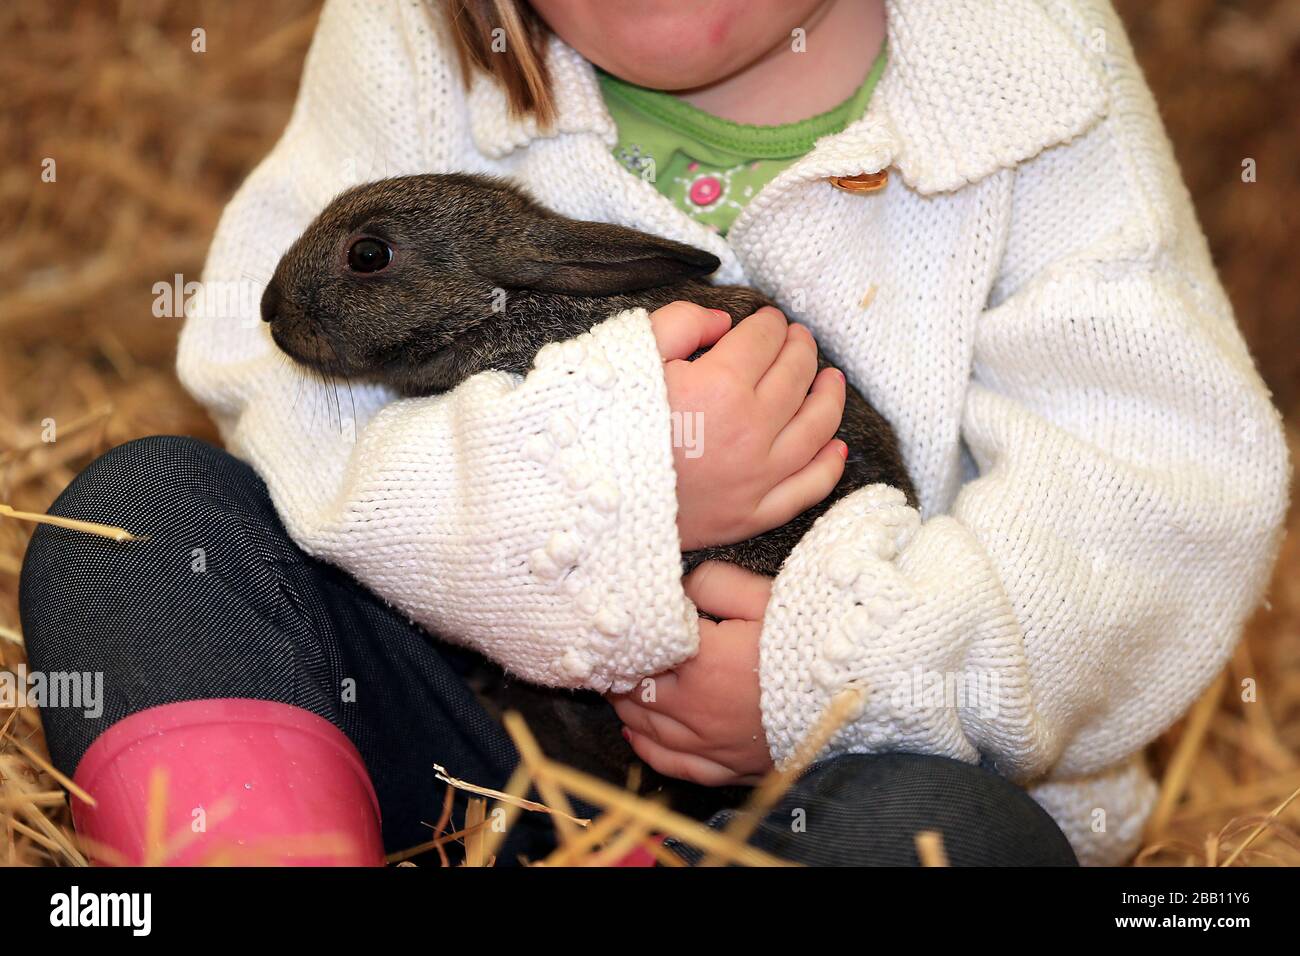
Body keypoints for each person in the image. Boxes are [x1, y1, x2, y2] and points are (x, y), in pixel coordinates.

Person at [20, 0, 1287, 866]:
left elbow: (1153, 488)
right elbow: (277, 380)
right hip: (479, 759)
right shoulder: (420, 33)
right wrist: (603, 479)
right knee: (138, 526)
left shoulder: (1025, 60)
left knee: (937, 838)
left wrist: (827, 676)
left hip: (830, 779)